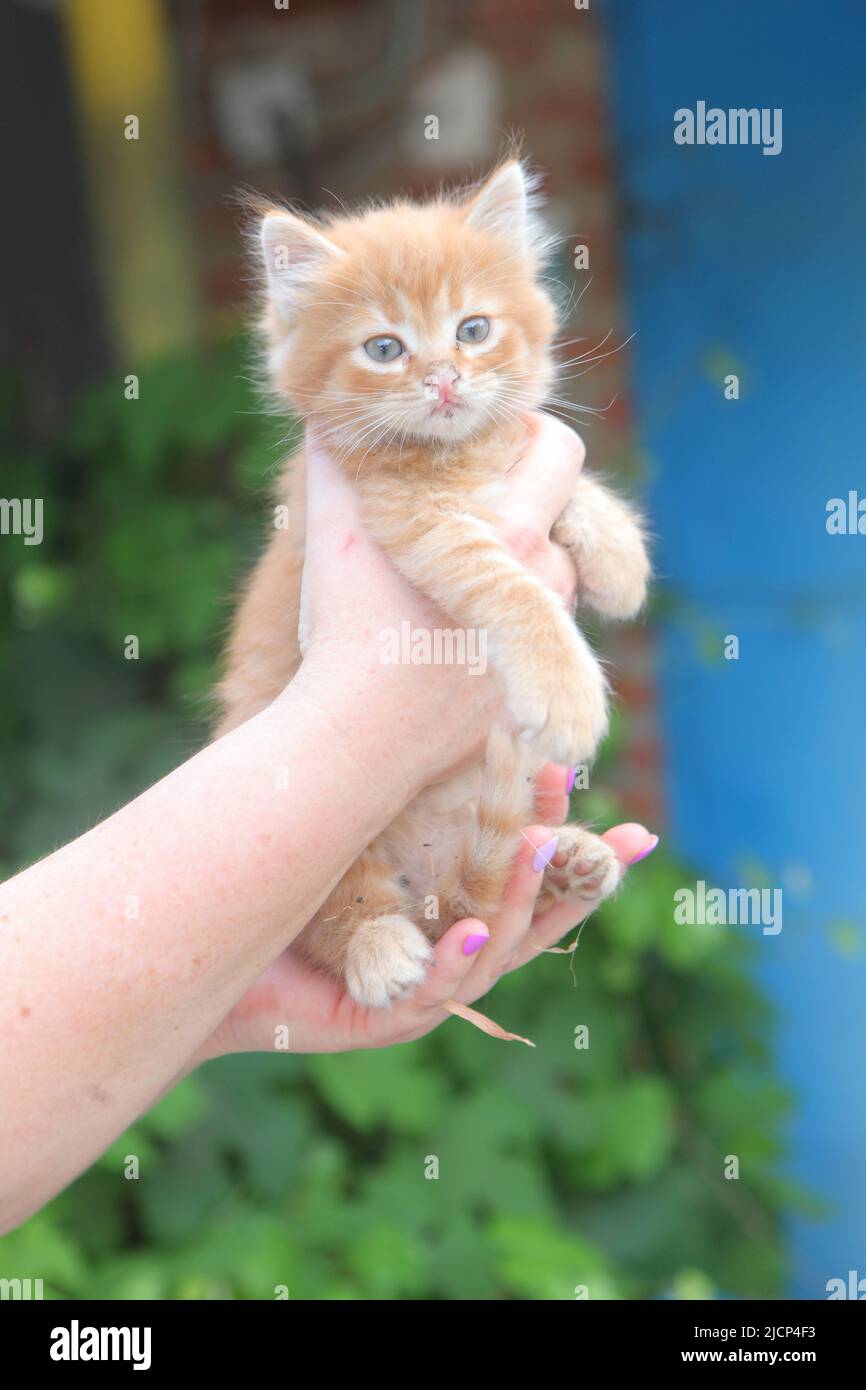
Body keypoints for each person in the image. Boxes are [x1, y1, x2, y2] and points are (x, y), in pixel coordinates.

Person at [0, 414, 657, 1235]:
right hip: (334, 825)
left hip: (407, 808)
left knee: (475, 802)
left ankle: (492, 859)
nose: (441, 373)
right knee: (384, 844)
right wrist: (373, 736)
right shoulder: (353, 453)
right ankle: (391, 908)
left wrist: (217, 995)